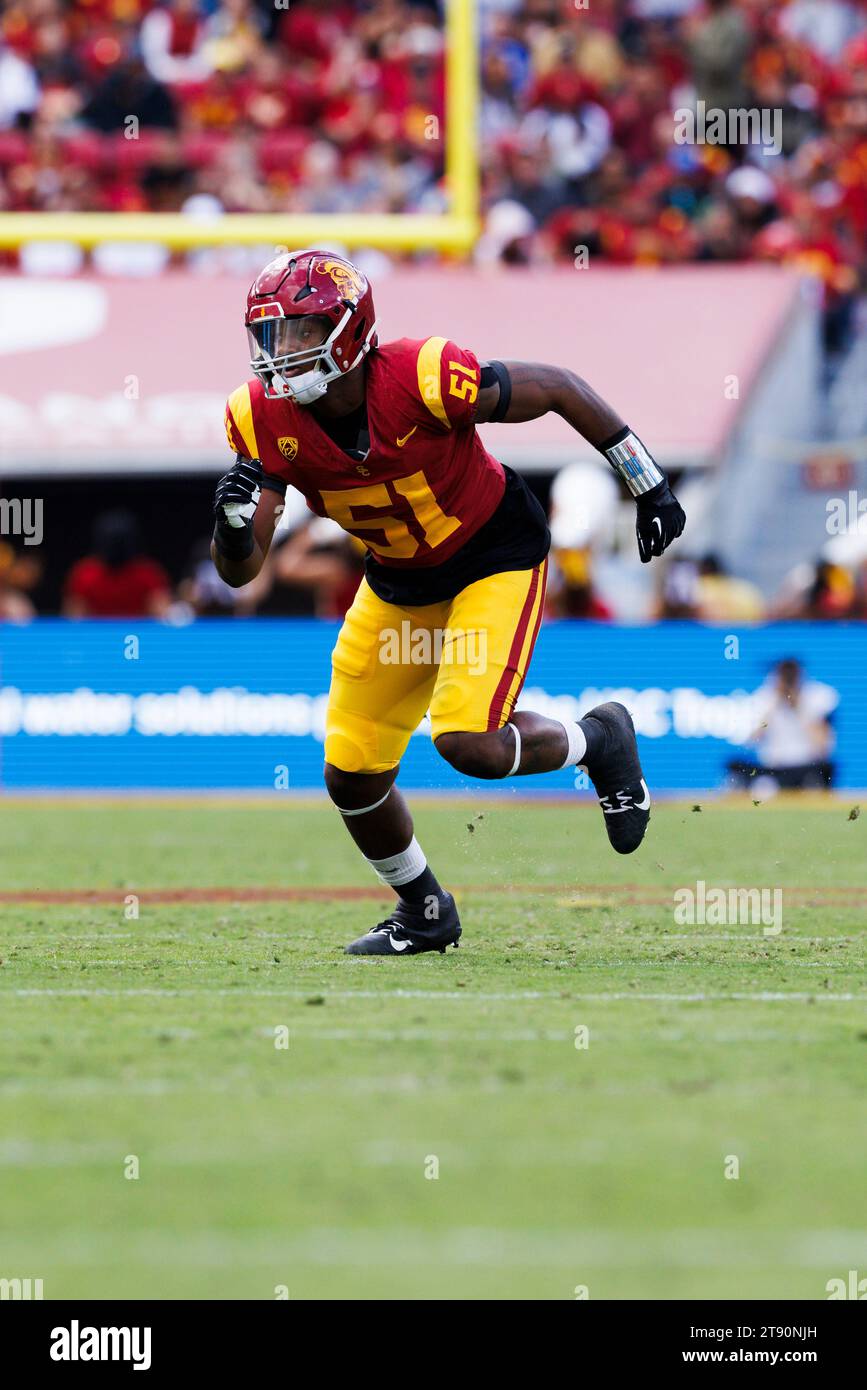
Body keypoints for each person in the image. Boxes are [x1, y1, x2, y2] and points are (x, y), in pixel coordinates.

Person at [211, 249, 686, 955]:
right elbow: (242, 573)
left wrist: (644, 481)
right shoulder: (257, 417)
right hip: (399, 582)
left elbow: (555, 386)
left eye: (301, 333)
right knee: (350, 767)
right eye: (272, 337)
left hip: (491, 555)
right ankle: (424, 911)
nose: (283, 354)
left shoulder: (422, 375)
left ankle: (600, 740)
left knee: (469, 743)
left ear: (347, 331)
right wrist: (229, 527)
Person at [727, 658, 838, 793]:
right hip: (774, 767)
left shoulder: (819, 696)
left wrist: (798, 706)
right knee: (736, 767)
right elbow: (753, 739)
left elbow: (822, 746)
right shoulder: (766, 696)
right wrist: (774, 704)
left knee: (823, 772)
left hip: (806, 766)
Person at [64, 511, 171, 619]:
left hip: (137, 635)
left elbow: (162, 615)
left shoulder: (148, 573)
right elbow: (75, 619)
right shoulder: (85, 574)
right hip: (97, 635)